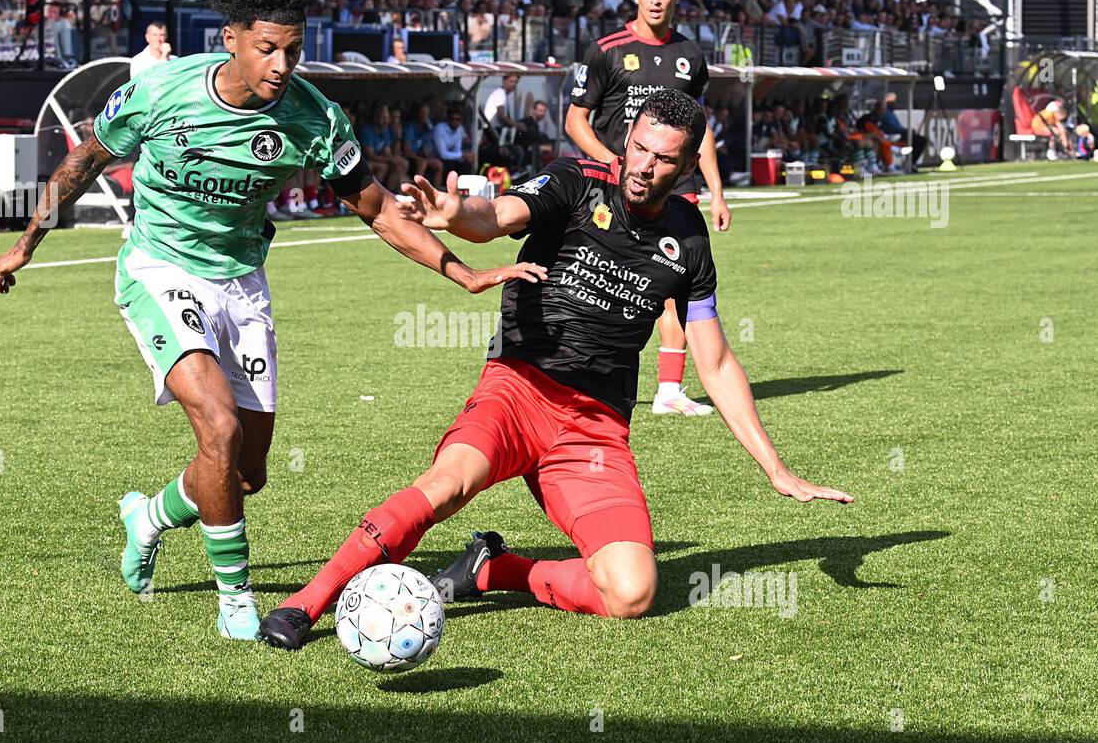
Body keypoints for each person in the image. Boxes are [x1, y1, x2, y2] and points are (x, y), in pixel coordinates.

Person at [0, 0, 539, 641]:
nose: (281, 64)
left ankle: (149, 517)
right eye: (267, 48)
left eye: (293, 50)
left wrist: (462, 273)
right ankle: (235, 598)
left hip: (242, 282)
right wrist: (24, 246)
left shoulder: (312, 117)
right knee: (218, 426)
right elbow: (83, 161)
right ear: (231, 39)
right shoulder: (162, 88)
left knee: (244, 474)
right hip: (159, 267)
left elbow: (379, 210)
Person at [256, 89, 853, 649]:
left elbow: (716, 361)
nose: (643, 166)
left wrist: (776, 469)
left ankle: (493, 570)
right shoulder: (577, 182)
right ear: (625, 139)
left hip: (595, 431)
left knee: (632, 591)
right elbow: (496, 218)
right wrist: (454, 211)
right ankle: (307, 603)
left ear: (688, 167)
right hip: (517, 390)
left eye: (663, 158)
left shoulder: (689, 238)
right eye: (638, 147)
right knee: (444, 487)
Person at [565, 0, 731, 418]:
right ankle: (587, 373)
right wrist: (611, 162)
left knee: (677, 282)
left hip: (679, 187)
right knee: (613, 279)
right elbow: (575, 120)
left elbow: (701, 130)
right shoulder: (605, 50)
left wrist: (716, 190)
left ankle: (669, 389)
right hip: (622, 186)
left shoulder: (691, 56)